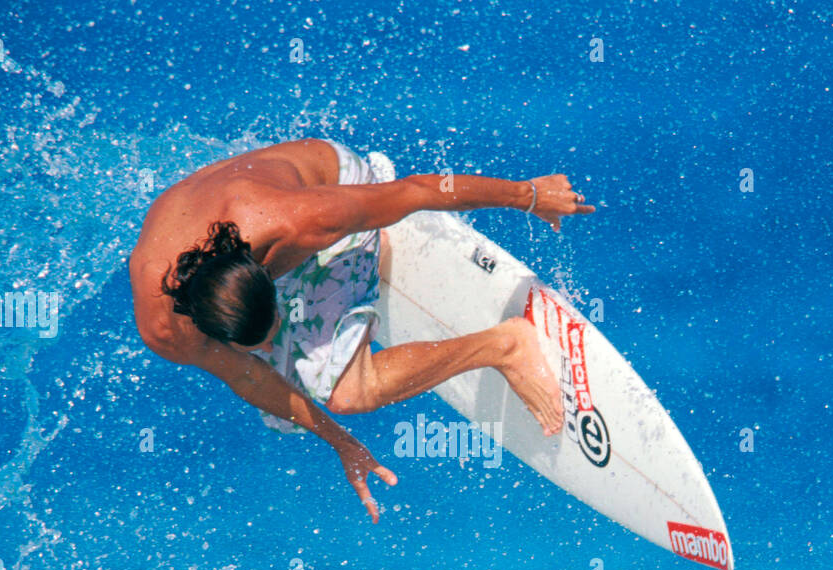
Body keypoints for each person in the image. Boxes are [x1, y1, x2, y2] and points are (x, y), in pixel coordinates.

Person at [129, 137, 594, 521]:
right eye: (256, 342)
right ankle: (366, 267)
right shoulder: (166, 330)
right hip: (236, 206)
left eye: (274, 323)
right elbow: (247, 376)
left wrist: (529, 195)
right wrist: (341, 443)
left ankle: (503, 345)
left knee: (346, 394)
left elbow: (418, 190)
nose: (270, 342)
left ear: (268, 278)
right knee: (285, 405)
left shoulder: (304, 221)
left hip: (334, 183)